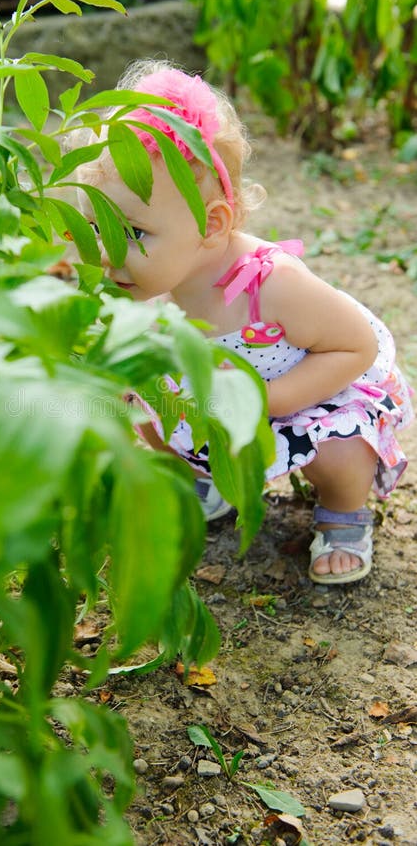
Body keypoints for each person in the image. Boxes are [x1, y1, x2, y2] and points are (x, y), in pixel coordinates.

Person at [76, 59, 414, 585]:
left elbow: (356, 348)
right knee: (147, 398)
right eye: (97, 223)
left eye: (134, 232)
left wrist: (270, 399)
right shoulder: (146, 278)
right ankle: (206, 480)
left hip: (310, 390)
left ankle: (344, 512)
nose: (107, 249)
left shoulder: (273, 284)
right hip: (222, 393)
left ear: (212, 224)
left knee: (340, 447)